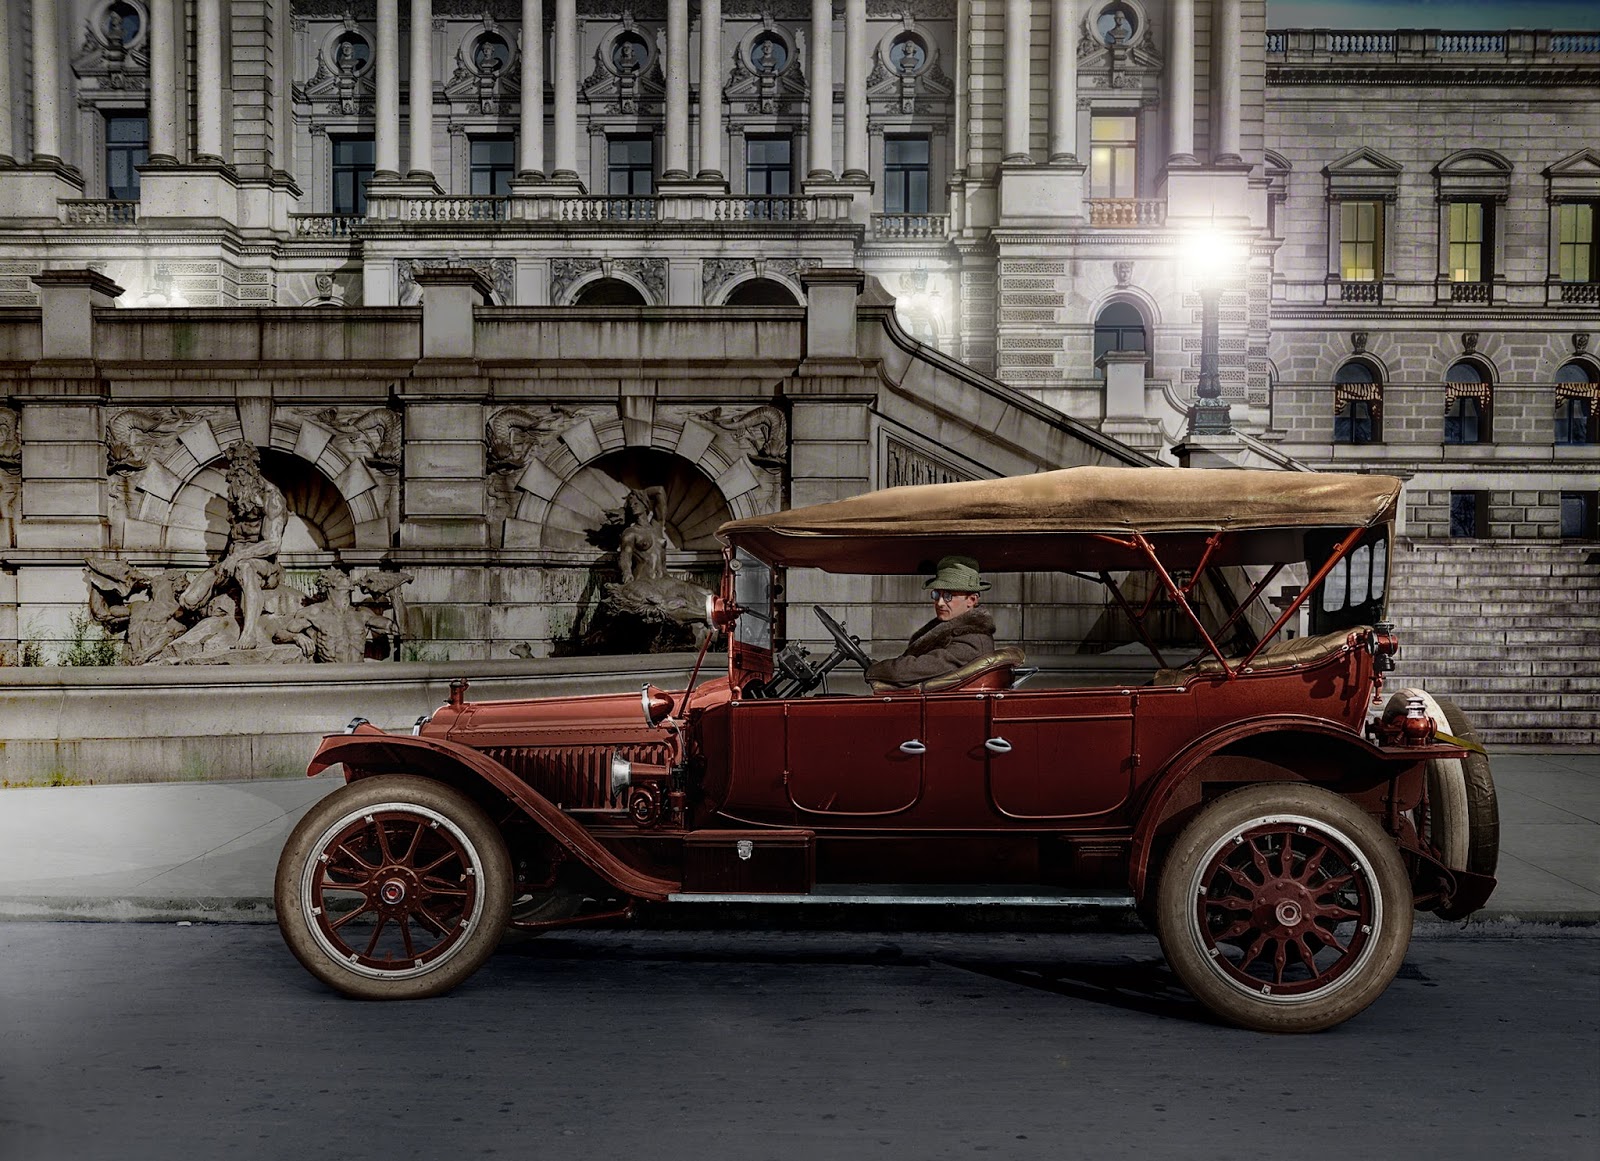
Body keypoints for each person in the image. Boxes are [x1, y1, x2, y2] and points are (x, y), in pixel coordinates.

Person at [864, 555, 996, 688]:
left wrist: (875, 669)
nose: (940, 603)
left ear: (971, 600)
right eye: (936, 594)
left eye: (949, 596)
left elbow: (913, 670)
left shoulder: (974, 640)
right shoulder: (953, 631)